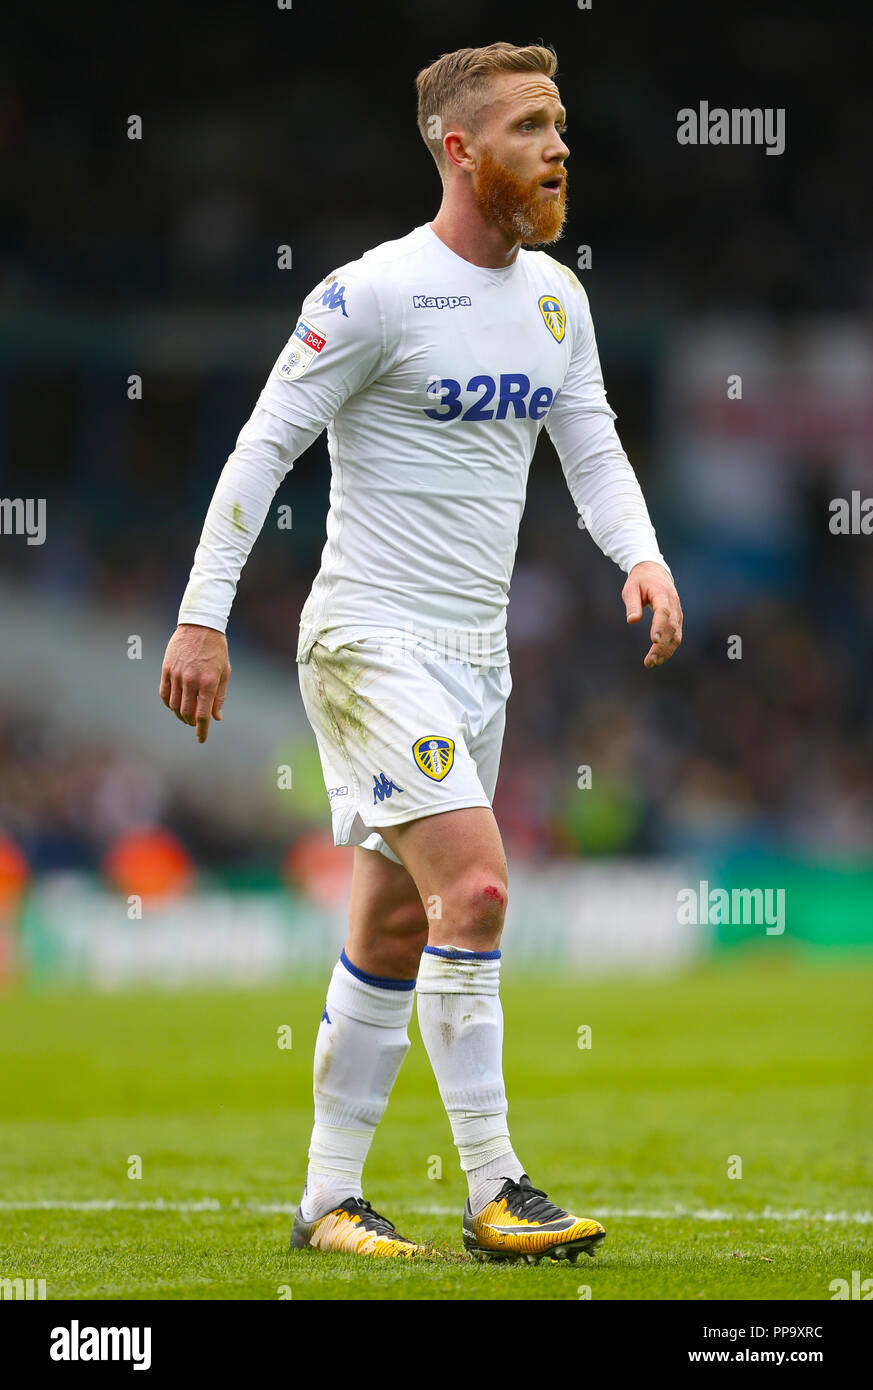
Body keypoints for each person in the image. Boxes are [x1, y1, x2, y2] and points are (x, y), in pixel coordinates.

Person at [160, 40, 682, 1263]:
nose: (558, 148)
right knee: (480, 890)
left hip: (474, 655)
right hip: (368, 639)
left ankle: (326, 1200)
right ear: (459, 149)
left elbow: (592, 445)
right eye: (529, 128)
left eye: (561, 126)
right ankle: (498, 1186)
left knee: (398, 930)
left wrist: (642, 556)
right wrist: (199, 614)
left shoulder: (557, 300)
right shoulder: (372, 295)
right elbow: (261, 448)